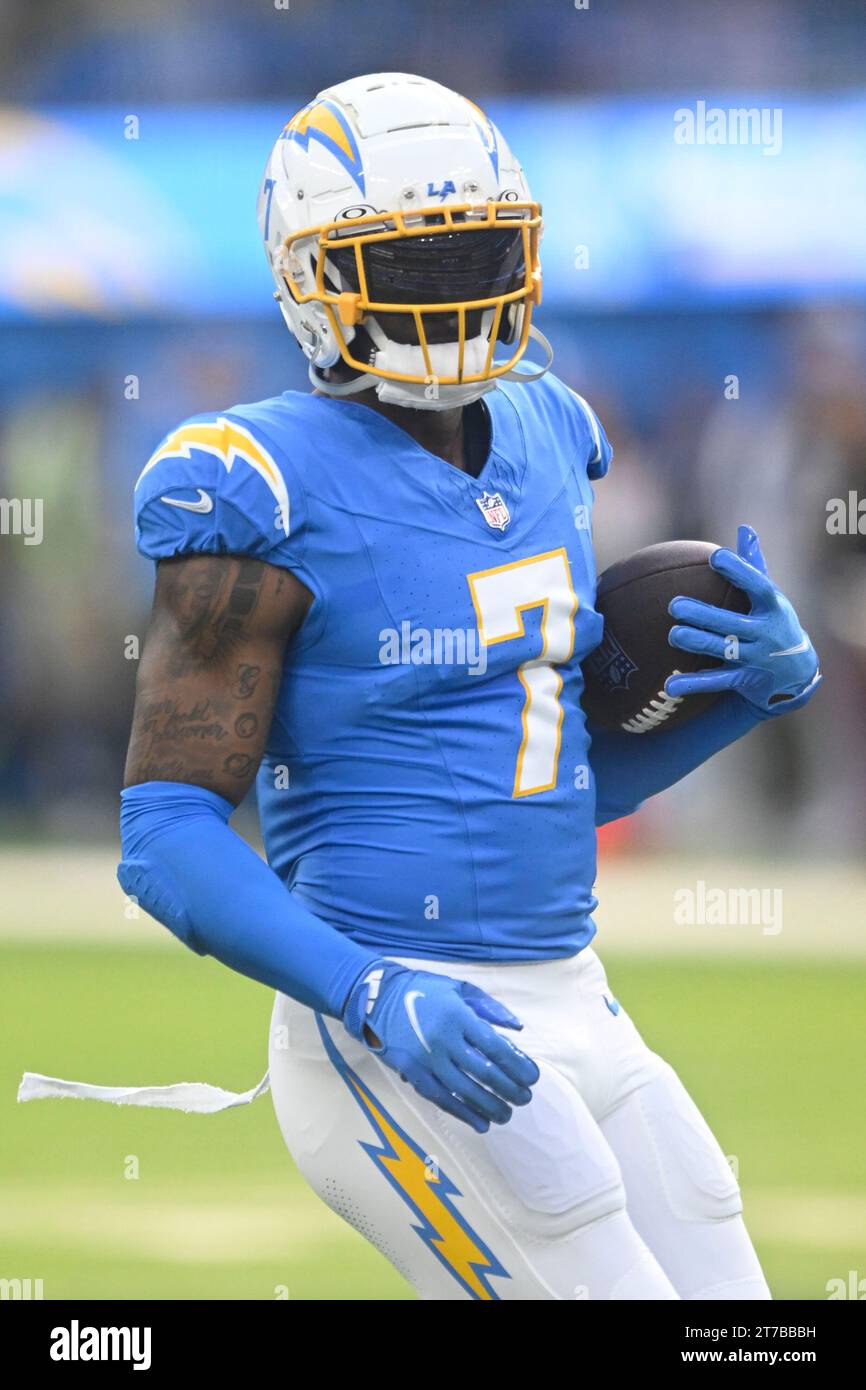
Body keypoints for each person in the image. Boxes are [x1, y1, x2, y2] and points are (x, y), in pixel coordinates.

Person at [36, 73, 822, 1300]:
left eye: (476, 252)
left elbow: (543, 783)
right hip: (387, 1025)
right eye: (407, 266)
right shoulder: (255, 482)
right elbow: (163, 831)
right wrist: (369, 988)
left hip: (574, 995)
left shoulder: (553, 429)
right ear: (309, 277)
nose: (453, 293)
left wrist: (742, 699)